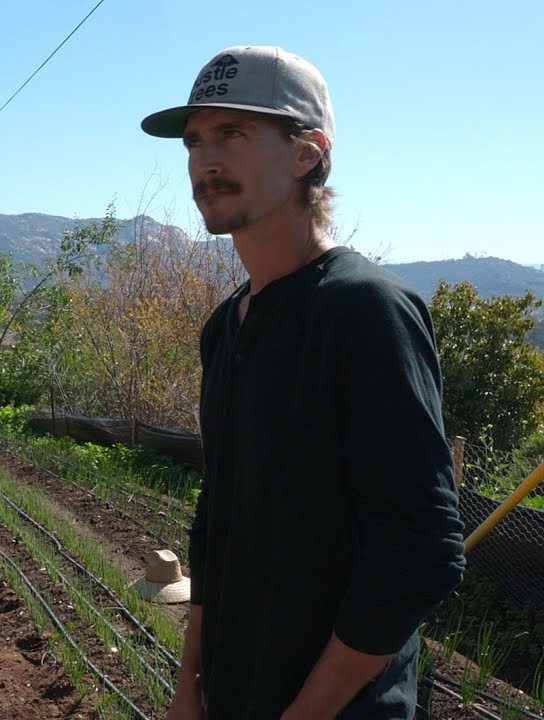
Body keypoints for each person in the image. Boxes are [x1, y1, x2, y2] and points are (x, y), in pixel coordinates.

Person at [141, 46, 466, 718]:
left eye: (233, 134)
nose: (204, 159)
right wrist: (188, 686)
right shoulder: (226, 325)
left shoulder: (364, 311)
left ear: (307, 153)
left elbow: (421, 553)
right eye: (196, 140)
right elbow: (218, 525)